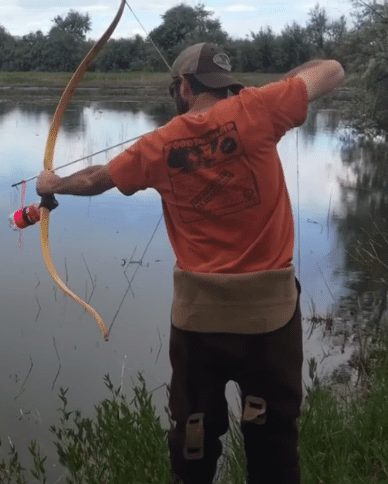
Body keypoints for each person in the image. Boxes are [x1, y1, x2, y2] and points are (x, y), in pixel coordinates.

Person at [36, 42, 344, 484]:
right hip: (269, 317)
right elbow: (331, 69)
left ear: (183, 85)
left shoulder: (158, 146)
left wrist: (54, 182)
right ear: (224, 83)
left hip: (199, 320)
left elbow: (95, 179)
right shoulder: (261, 107)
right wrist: (272, 91)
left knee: (194, 430)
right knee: (270, 432)